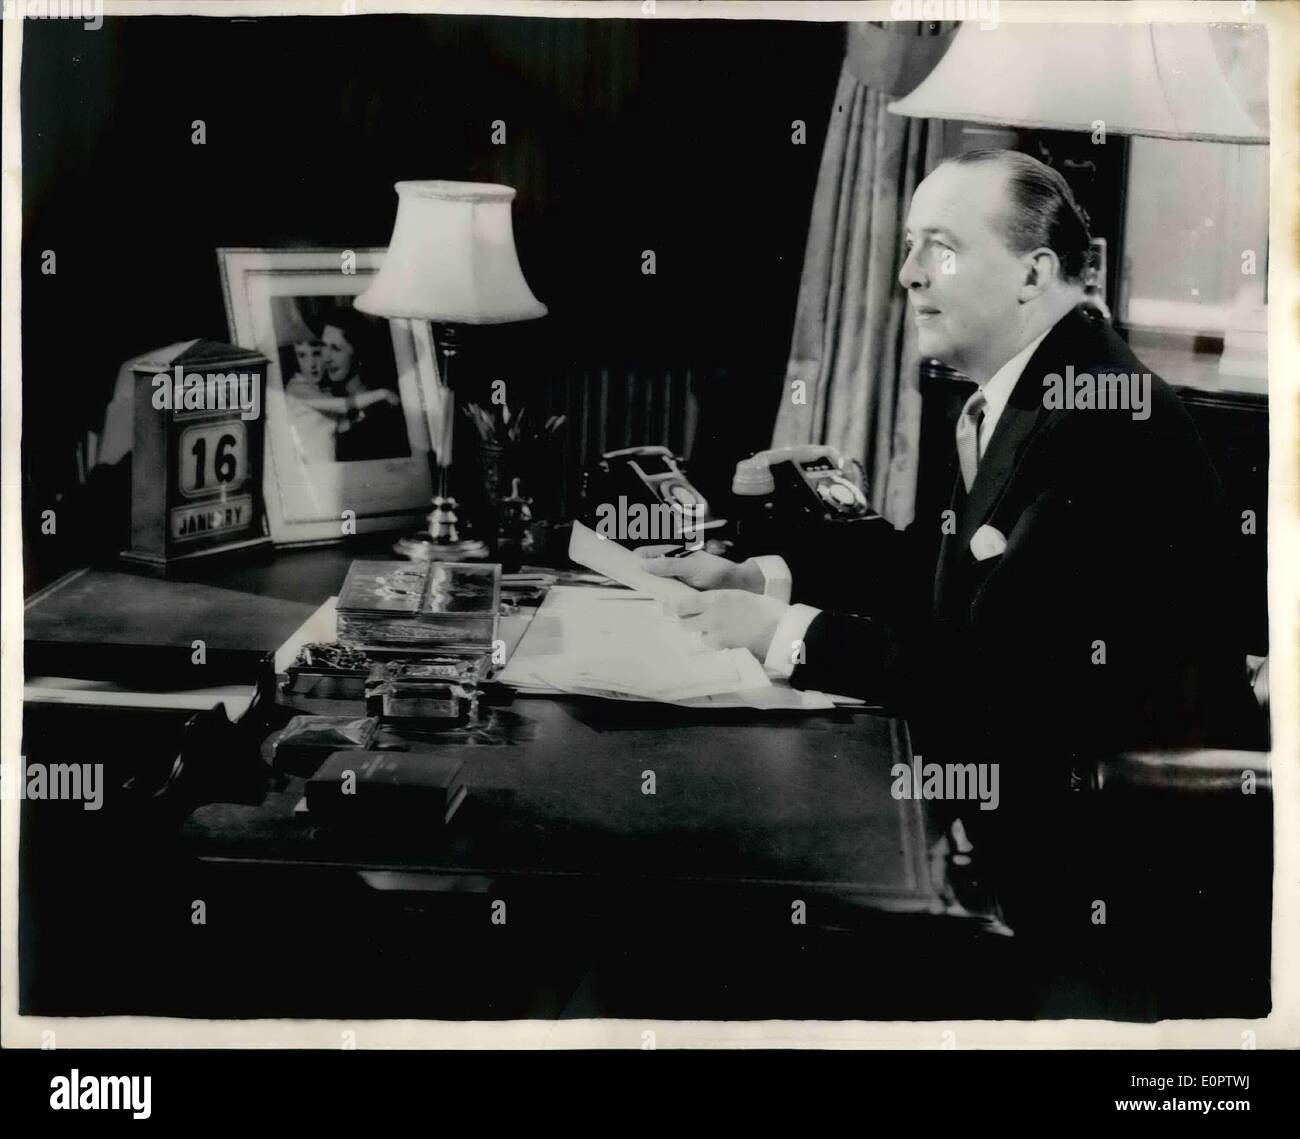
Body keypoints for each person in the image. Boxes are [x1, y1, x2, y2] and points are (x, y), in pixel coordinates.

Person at [644, 149, 1263, 816]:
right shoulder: (1031, 386)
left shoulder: (1102, 422)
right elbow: (939, 573)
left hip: (1108, 834)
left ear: (1033, 273)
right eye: (911, 246)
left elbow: (999, 673)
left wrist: (788, 633)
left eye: (938, 249)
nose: (907, 274)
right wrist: (758, 580)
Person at [315, 306, 410, 462]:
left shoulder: (383, 410)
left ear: (358, 353)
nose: (326, 358)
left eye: (336, 349)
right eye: (323, 346)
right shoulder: (325, 398)